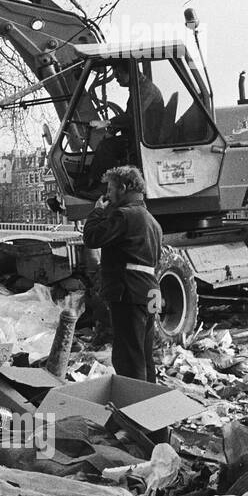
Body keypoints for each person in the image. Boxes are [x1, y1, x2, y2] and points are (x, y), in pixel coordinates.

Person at [82, 165, 162, 381]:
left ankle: (134, 410)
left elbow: (92, 238)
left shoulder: (125, 215)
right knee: (145, 356)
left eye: (110, 188)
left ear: (124, 188)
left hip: (129, 293)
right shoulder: (152, 221)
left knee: (128, 359)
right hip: (150, 293)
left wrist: (97, 211)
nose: (107, 194)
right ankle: (151, 404)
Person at [84, 64, 163, 195]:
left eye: (119, 74)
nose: (116, 78)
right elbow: (130, 118)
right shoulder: (139, 88)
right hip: (140, 134)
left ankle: (103, 187)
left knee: (106, 147)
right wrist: (112, 130)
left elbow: (133, 116)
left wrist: (107, 123)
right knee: (108, 144)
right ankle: (96, 182)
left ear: (130, 72)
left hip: (146, 137)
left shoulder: (145, 90)